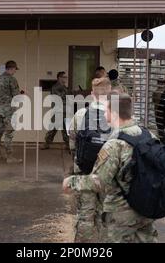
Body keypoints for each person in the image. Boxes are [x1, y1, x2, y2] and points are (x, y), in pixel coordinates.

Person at [63, 92, 158, 243]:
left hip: (121, 214)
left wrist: (72, 182)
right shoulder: (149, 136)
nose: (104, 114)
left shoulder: (115, 144)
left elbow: (99, 181)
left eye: (106, 110)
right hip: (147, 208)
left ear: (114, 113)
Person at [68, 77, 111, 242]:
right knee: (105, 212)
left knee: (85, 213)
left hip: (84, 170)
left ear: (92, 94)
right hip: (107, 173)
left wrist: (77, 156)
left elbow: (72, 138)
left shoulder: (81, 114)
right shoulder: (115, 117)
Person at [0, 60, 24, 164]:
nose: (15, 71)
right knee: (9, 133)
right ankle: (9, 156)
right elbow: (16, 95)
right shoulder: (12, 79)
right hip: (8, 110)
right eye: (15, 69)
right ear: (11, 69)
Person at [41, 71, 70, 150]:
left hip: (64, 110)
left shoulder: (64, 87)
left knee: (65, 129)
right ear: (59, 78)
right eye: (64, 77)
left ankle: (68, 144)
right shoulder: (55, 87)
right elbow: (59, 98)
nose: (66, 79)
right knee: (53, 128)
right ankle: (47, 143)